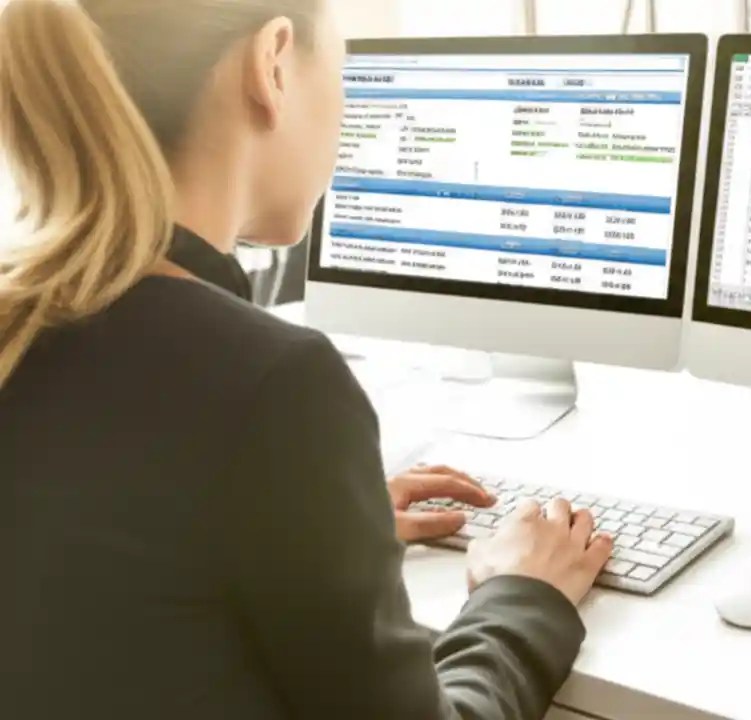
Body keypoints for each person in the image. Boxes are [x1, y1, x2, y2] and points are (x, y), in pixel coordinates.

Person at [0, 1, 613, 718]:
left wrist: (315, 530)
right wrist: (525, 597)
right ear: (274, 64)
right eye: (344, 71)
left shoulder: (27, 324)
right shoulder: (270, 382)